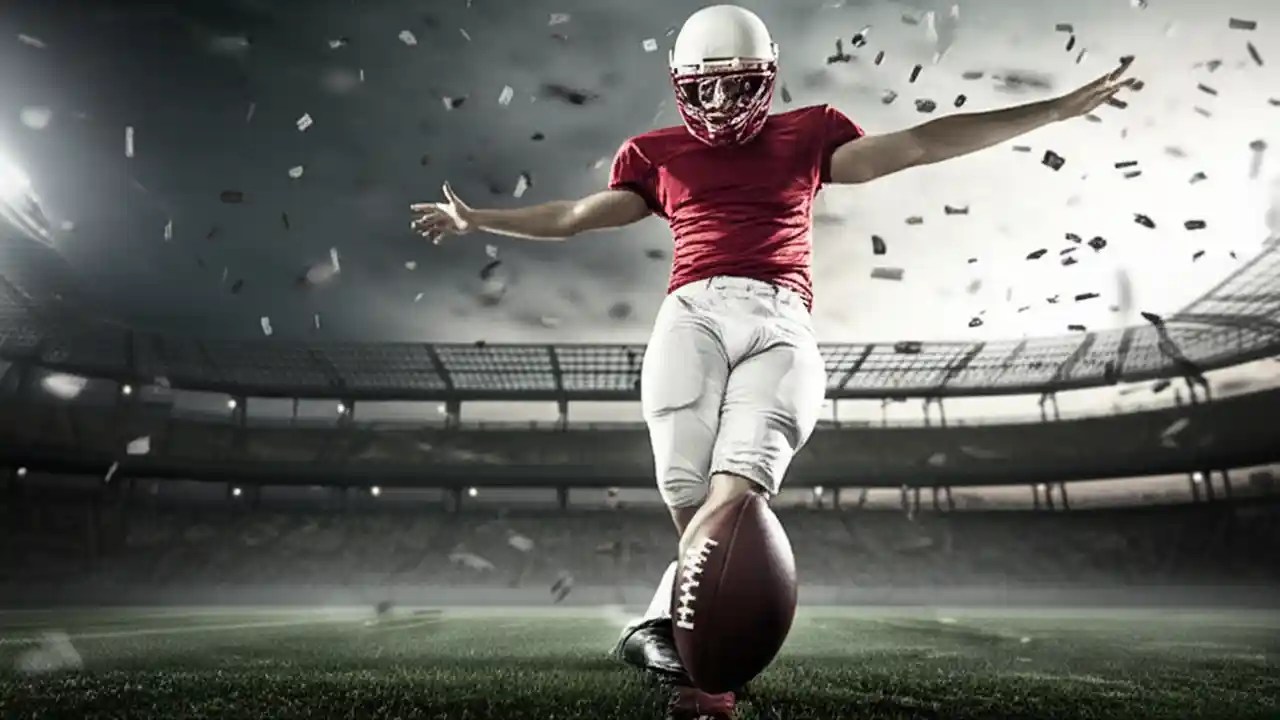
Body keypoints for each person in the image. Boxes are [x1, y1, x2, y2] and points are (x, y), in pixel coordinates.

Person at [410, 5, 1133, 717]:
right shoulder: (655, 154)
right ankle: (675, 635)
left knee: (734, 502)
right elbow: (572, 217)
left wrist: (1052, 110)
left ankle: (697, 667)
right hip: (690, 313)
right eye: (706, 87)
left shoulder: (806, 134)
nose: (722, 102)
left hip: (780, 317)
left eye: (738, 84)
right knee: (685, 490)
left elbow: (918, 143)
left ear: (768, 80)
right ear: (680, 86)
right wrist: (479, 219)